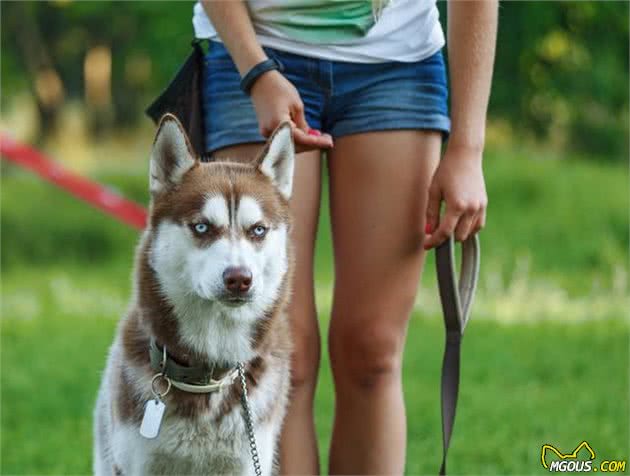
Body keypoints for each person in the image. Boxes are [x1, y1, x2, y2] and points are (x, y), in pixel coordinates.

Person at [195, 0, 497, 473]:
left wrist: (468, 149)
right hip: (252, 58)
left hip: (397, 66)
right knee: (278, 353)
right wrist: (256, 71)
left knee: (372, 350)